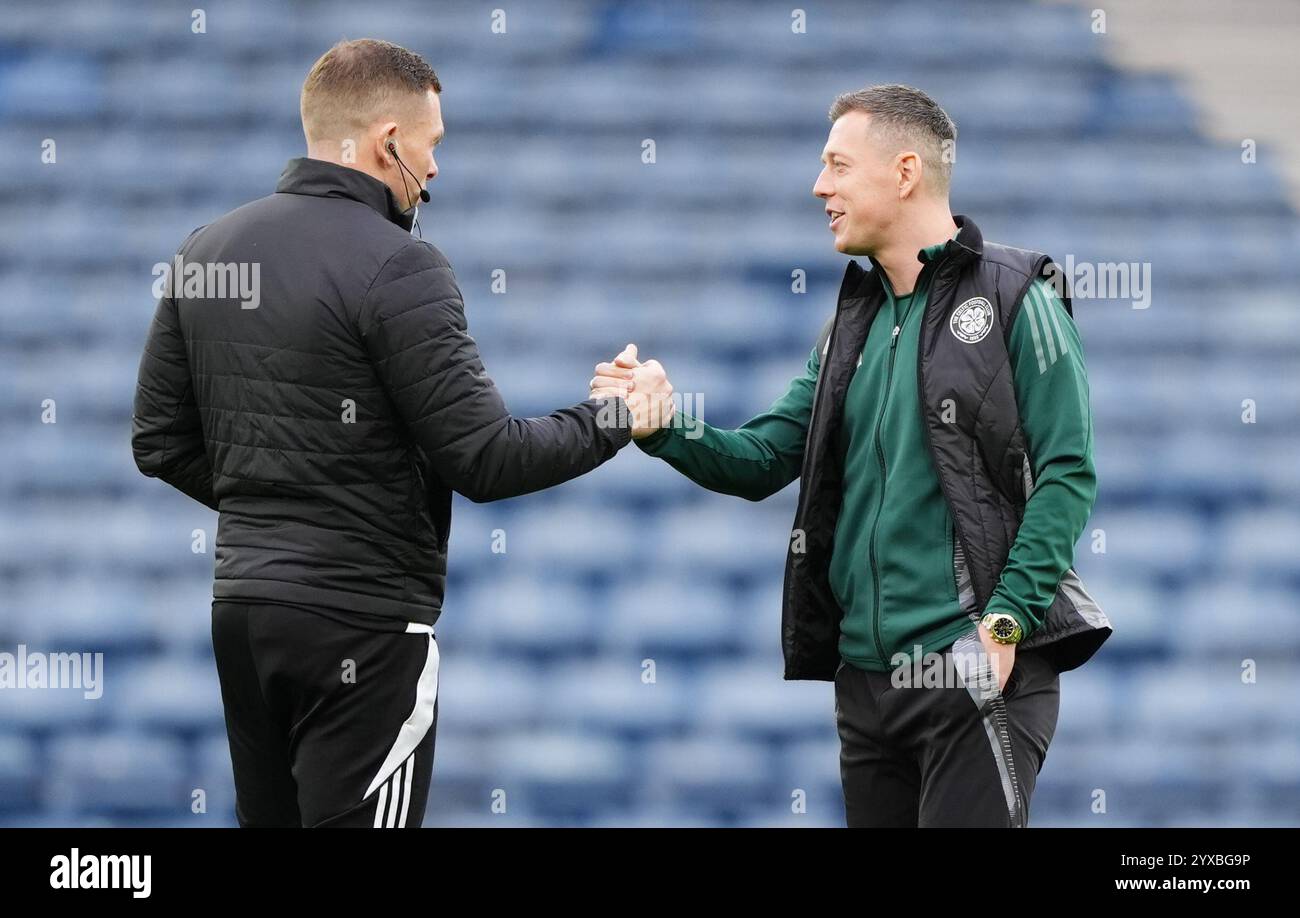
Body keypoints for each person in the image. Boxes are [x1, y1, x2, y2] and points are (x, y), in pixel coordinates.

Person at [131, 38, 668, 827]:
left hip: (244, 611)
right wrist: (617, 417)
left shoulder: (206, 249)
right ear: (389, 142)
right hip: (362, 628)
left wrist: (287, 511)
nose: (437, 167)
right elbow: (486, 458)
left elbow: (159, 443)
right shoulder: (400, 265)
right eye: (433, 144)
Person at [591, 84, 1111, 827]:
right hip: (866, 686)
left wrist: (1004, 625)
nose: (819, 186)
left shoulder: (1017, 294)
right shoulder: (851, 323)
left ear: (904, 173)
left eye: (837, 165)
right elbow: (765, 456)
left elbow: (1067, 472)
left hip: (973, 667)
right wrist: (666, 426)